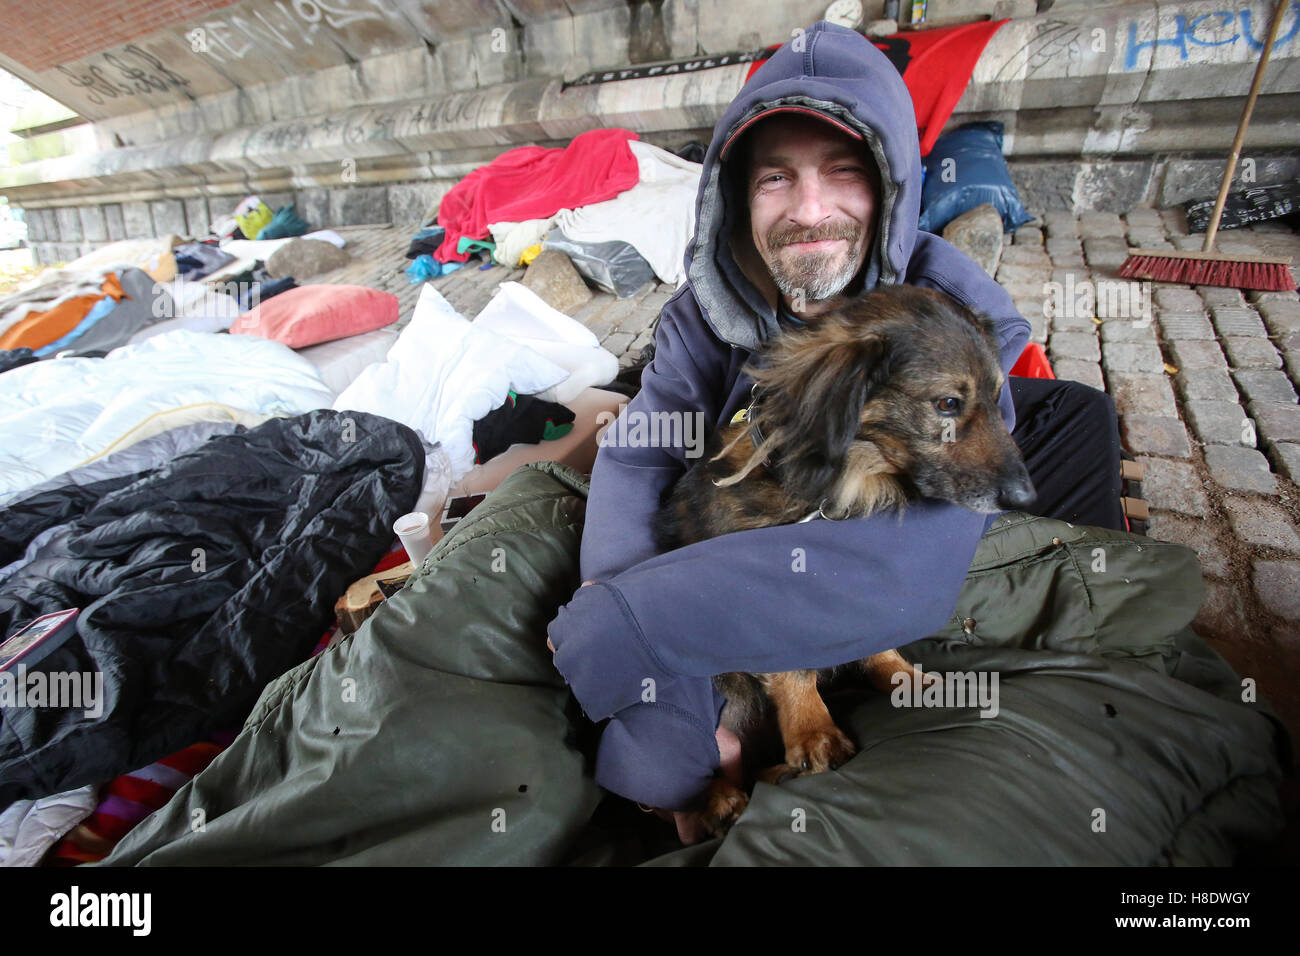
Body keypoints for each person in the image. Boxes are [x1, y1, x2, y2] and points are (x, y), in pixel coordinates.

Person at [546, 19, 1124, 843]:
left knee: (1076, 419)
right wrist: (639, 648)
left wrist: (644, 624)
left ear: (889, 190)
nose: (809, 211)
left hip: (866, 535)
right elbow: (642, 458)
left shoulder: (950, 303)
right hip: (752, 513)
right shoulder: (699, 319)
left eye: (844, 173)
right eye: (776, 178)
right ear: (739, 196)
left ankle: (1074, 665)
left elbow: (928, 524)